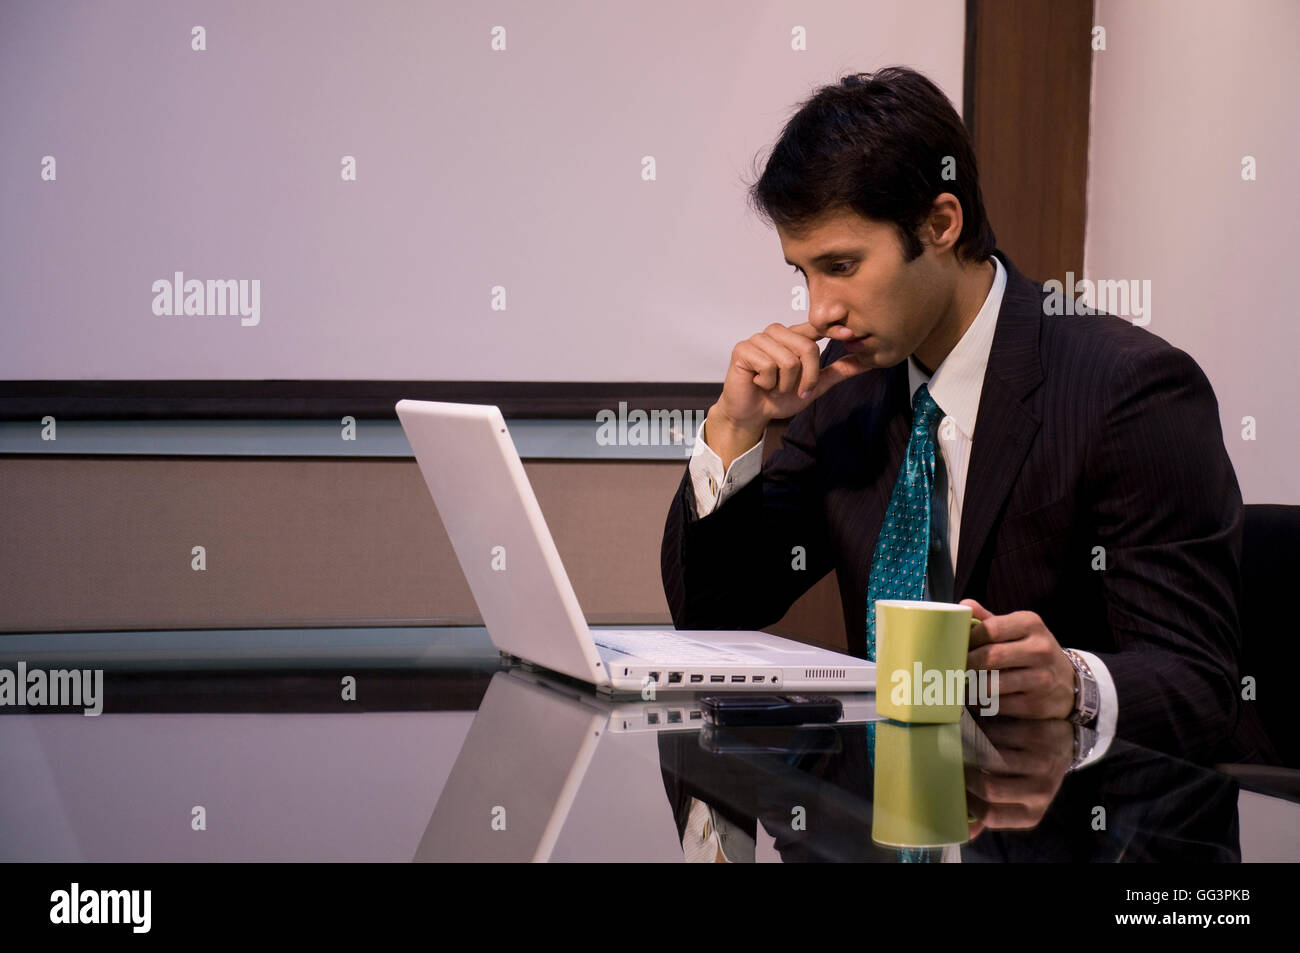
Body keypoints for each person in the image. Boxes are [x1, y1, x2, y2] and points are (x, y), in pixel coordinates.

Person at [660, 66, 1263, 762]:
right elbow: (713, 611)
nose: (817, 310)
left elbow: (1202, 685)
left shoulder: (1131, 390)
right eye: (805, 273)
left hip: (1071, 820)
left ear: (941, 224)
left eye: (843, 265)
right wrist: (735, 427)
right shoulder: (849, 394)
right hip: (886, 813)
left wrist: (1075, 684)